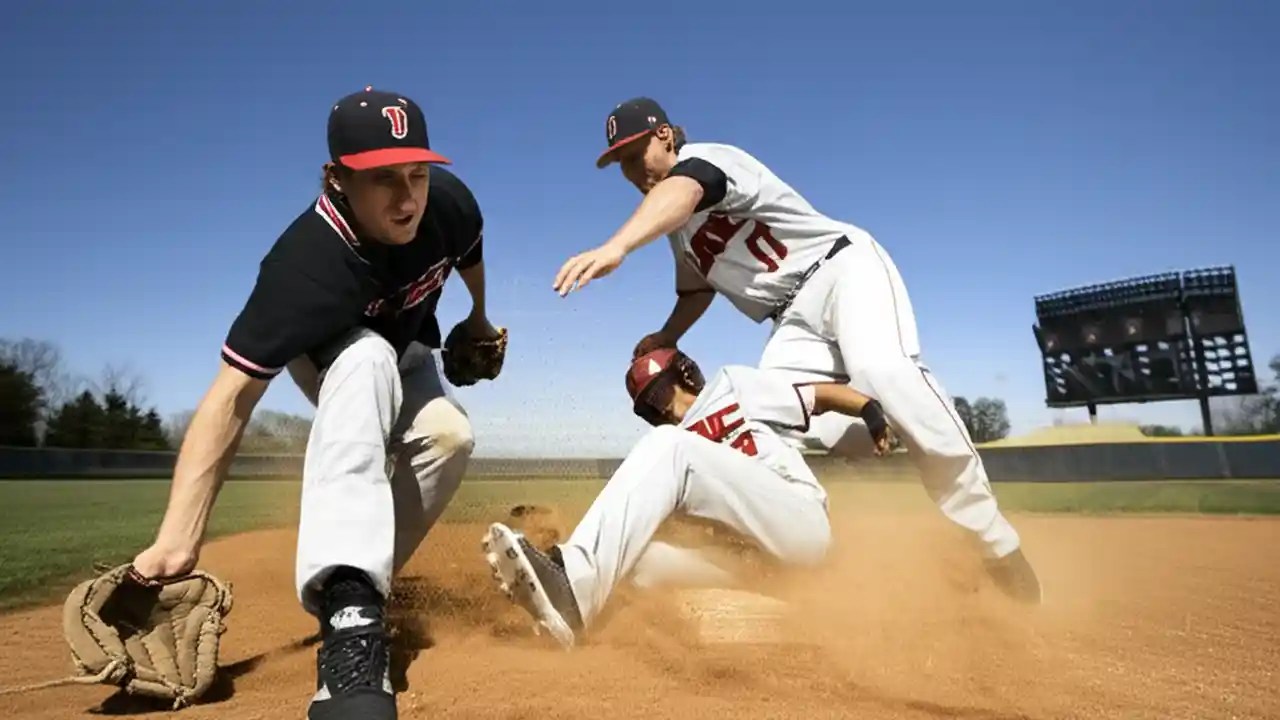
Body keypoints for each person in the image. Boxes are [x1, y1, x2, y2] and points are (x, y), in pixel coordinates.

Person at [552, 97, 1041, 605]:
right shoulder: (680, 233)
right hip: (789, 323)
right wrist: (667, 336)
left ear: (666, 138)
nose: (630, 171)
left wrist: (618, 246)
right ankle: (772, 551)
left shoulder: (710, 162)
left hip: (839, 270)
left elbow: (685, 187)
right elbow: (697, 291)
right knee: (766, 428)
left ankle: (994, 544)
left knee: (884, 374)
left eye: (635, 155)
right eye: (620, 164)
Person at [129, 87, 505, 720]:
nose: (409, 197)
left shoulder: (450, 206)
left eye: (417, 173)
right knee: (366, 360)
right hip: (335, 354)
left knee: (450, 435)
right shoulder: (303, 269)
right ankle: (351, 627)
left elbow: (468, 257)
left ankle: (355, 583)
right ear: (336, 179)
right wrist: (176, 542)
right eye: (383, 179)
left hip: (409, 348)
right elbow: (230, 398)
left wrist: (478, 318)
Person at [482, 347, 894, 649]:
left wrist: (870, 410)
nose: (660, 413)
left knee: (670, 446)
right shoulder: (672, 454)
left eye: (660, 397)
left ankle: (571, 583)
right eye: (648, 410)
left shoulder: (731, 388)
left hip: (799, 526)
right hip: (751, 567)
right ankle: (562, 612)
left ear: (686, 375)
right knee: (635, 559)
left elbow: (815, 397)